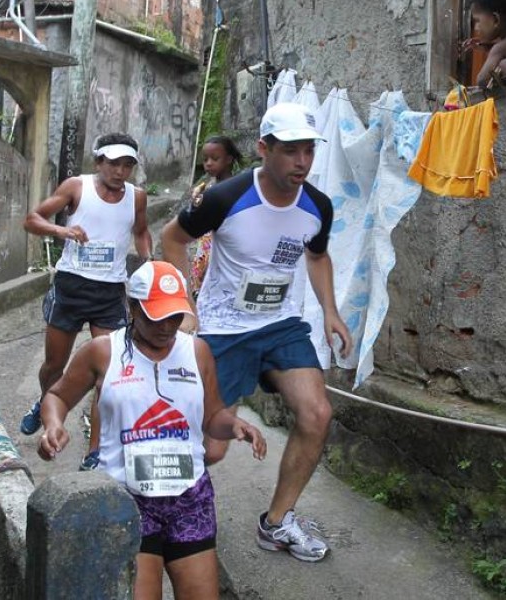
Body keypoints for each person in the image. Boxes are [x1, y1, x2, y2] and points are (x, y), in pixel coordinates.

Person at [161, 101, 353, 563]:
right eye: (291, 151)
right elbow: (172, 239)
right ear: (264, 149)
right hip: (224, 330)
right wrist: (184, 306)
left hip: (282, 325)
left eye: (308, 150)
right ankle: (161, 502)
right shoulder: (225, 197)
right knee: (212, 448)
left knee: (317, 414)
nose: (302, 162)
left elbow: (317, 255)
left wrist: (330, 310)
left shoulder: (317, 207)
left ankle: (277, 523)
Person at [38, 260, 267, 600]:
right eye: (157, 317)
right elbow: (57, 395)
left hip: (189, 499)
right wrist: (53, 425)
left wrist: (234, 425)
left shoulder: (197, 352)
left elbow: (212, 414)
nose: (167, 327)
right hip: (125, 498)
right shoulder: (103, 352)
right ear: (132, 308)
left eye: (175, 317)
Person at [21, 133, 152, 472]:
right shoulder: (77, 187)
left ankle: (95, 450)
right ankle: (46, 406)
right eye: (113, 163)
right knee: (54, 365)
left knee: (108, 375)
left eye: (127, 165)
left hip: (110, 292)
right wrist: (63, 232)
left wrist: (149, 261)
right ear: (98, 162)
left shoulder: (137, 197)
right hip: (72, 287)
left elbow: (140, 231)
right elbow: (32, 219)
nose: (120, 172)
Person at [187, 135, 243, 294]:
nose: (208, 163)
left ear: (229, 159)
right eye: (205, 160)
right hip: (205, 248)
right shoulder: (207, 187)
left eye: (215, 158)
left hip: (224, 247)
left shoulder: (235, 188)